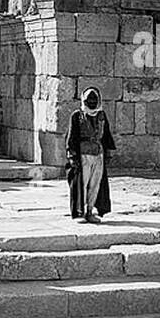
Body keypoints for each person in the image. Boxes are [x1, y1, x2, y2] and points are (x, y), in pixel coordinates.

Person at [66, 87, 116, 224]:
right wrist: (71, 155)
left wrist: (109, 153)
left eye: (94, 99)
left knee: (95, 184)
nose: (92, 102)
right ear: (84, 100)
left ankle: (90, 212)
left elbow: (106, 135)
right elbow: (71, 136)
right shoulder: (77, 115)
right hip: (83, 155)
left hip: (98, 154)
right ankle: (80, 212)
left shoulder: (102, 115)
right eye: (89, 99)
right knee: (82, 184)